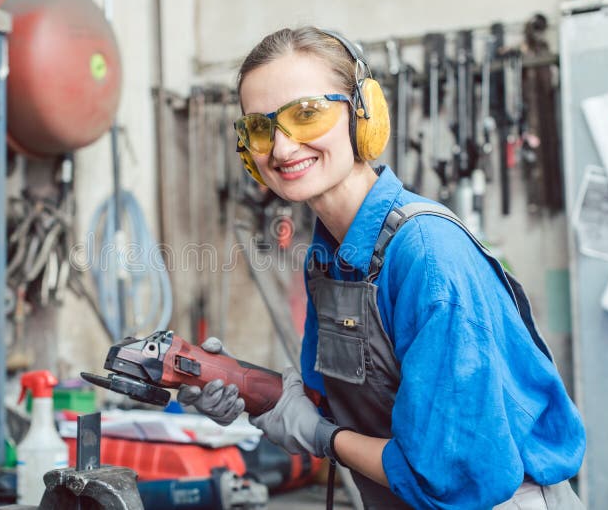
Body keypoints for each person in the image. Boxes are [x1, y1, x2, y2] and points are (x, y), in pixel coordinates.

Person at [177, 26, 586, 509]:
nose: (283, 149)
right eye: (262, 128)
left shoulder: (426, 258)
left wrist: (321, 437)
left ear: (363, 115)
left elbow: (448, 479)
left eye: (307, 114)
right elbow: (345, 402)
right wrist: (249, 390)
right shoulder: (330, 255)